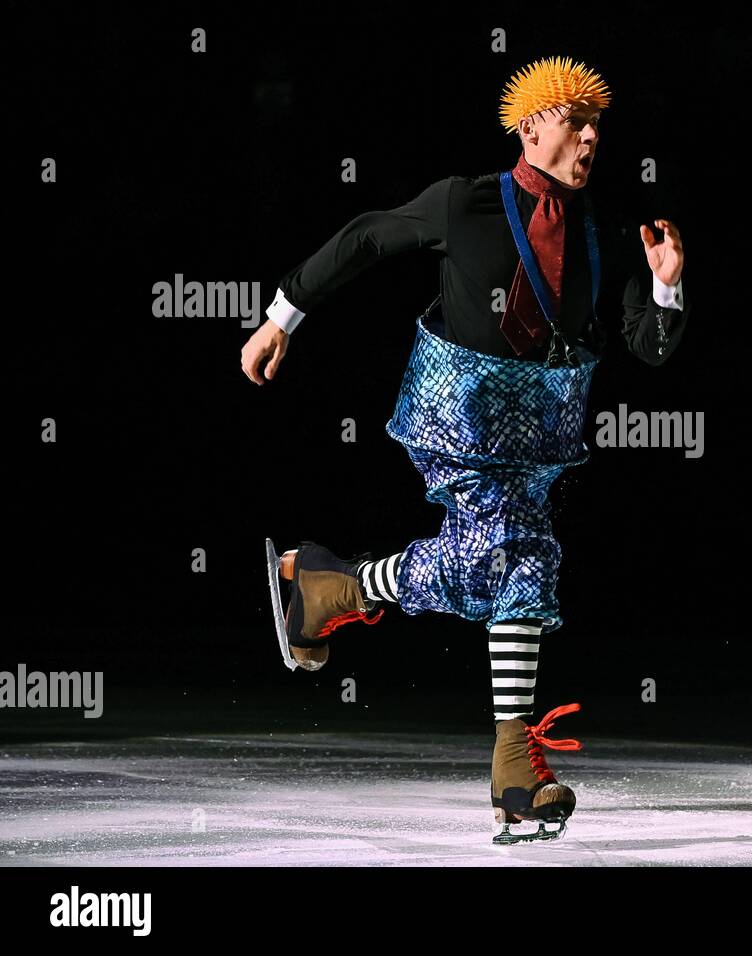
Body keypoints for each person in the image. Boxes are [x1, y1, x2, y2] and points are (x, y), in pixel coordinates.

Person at [240, 56, 691, 843]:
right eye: (574, 123)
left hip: (538, 436)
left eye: (596, 127)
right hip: (457, 415)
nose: (590, 137)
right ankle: (514, 769)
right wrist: (284, 315)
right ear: (531, 128)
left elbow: (648, 348)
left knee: (496, 564)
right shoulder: (468, 203)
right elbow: (366, 237)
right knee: (525, 555)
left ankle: (330, 587)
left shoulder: (605, 230)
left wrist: (665, 287)